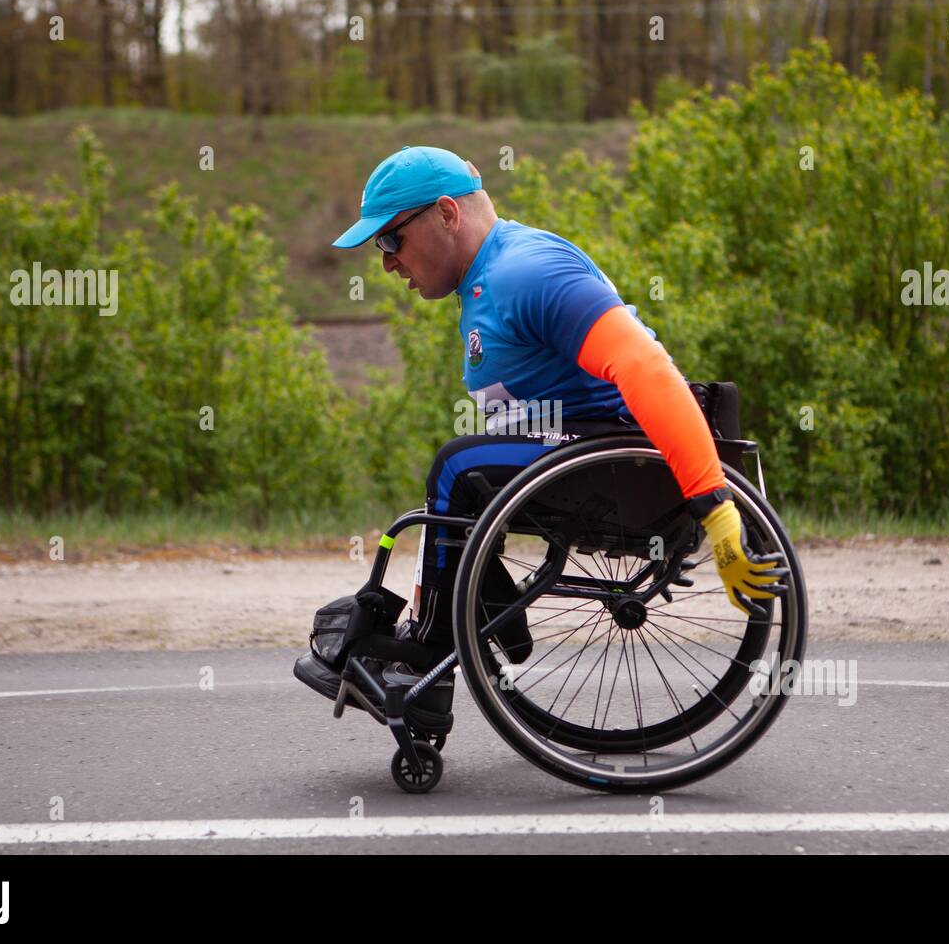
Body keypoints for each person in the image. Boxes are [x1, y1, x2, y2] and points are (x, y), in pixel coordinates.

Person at [294, 145, 786, 728]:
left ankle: (425, 663)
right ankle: (473, 617)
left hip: (623, 466)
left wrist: (716, 507)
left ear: (447, 214)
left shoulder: (524, 271)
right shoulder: (486, 278)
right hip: (576, 457)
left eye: (390, 241)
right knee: (452, 494)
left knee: (457, 467)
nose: (387, 263)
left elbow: (647, 368)